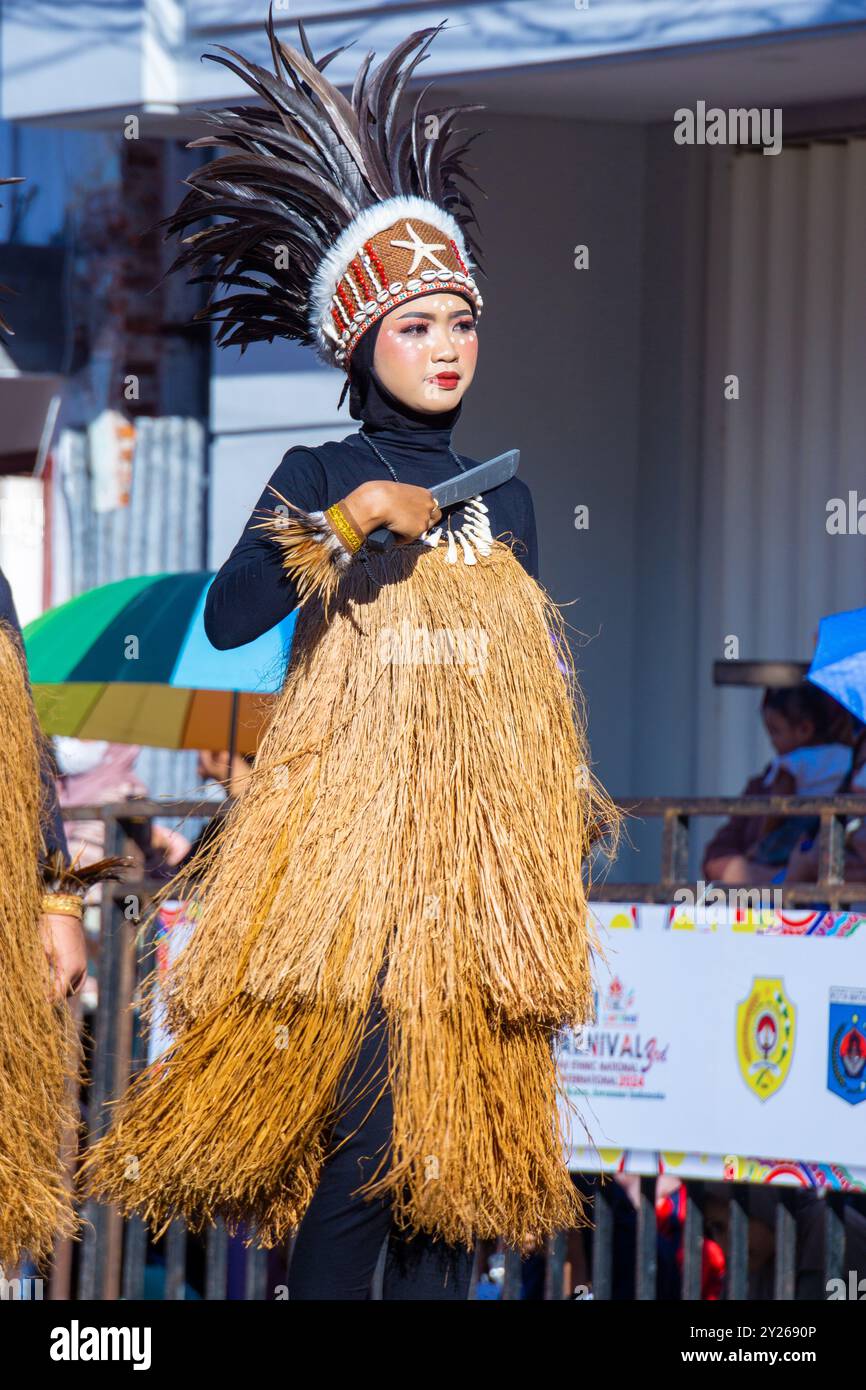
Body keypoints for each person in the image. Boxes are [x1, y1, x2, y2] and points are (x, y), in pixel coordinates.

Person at [78, 10, 619, 1300]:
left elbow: (527, 692)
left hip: (471, 894)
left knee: (452, 1175)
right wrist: (340, 525)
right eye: (417, 324)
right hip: (351, 886)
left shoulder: (511, 500)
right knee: (361, 1148)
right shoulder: (320, 469)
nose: (445, 345)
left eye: (460, 321)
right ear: (360, 339)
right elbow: (229, 618)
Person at [703, 683, 855, 885]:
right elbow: (717, 856)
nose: (771, 741)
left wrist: (760, 845)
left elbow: (778, 805)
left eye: (775, 731)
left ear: (804, 729)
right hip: (824, 845)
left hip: (796, 838)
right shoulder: (848, 759)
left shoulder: (789, 765)